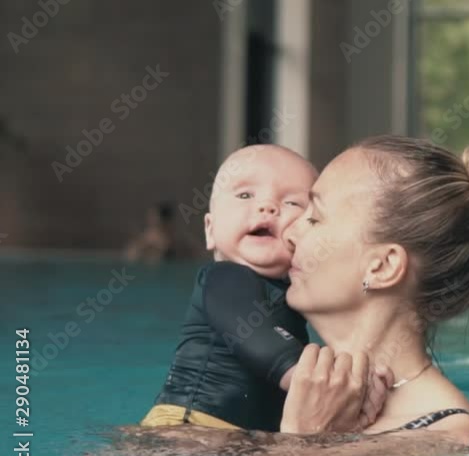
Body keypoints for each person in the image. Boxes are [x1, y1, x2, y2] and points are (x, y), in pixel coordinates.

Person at [277, 135, 469, 446]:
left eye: (314, 218)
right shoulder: (290, 381)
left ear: (382, 266)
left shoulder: (447, 441)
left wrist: (306, 434)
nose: (288, 233)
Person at [139, 144, 391, 432]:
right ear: (211, 230)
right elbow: (253, 334)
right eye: (245, 195)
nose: (267, 206)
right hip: (186, 428)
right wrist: (333, 384)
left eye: (292, 204)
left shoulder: (296, 292)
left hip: (238, 440)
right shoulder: (225, 278)